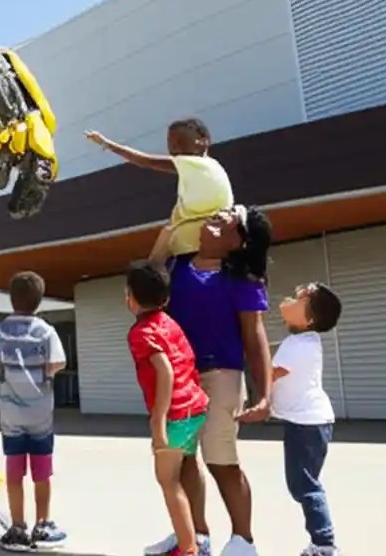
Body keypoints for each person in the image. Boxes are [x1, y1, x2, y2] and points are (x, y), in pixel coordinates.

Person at [145, 206, 274, 556]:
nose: (217, 215)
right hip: (180, 378)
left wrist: (265, 395)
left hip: (221, 376)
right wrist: (168, 233)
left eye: (229, 217)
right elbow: (144, 284)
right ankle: (196, 536)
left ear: (238, 240)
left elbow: (254, 335)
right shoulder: (177, 266)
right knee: (184, 457)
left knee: (221, 460)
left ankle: (243, 541)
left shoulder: (241, 278)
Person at [125, 260, 210, 556]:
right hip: (195, 409)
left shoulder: (140, 333)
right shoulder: (170, 323)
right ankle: (193, 541)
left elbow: (165, 372)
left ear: (130, 297)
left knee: (168, 481)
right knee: (184, 469)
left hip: (174, 415)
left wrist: (158, 421)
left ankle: (188, 549)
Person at [0, 271, 69, 551]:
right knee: (42, 470)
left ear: (11, 299)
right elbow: (59, 362)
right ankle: (42, 524)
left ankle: (17, 527)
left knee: (14, 471)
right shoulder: (46, 331)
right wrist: (42, 372)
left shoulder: (0, 330)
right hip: (40, 413)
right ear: (39, 300)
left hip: (10, 414)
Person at [84, 118, 233, 262]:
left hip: (194, 241)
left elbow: (145, 161)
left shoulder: (191, 162)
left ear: (203, 141)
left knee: (157, 260)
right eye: (170, 144)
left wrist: (107, 144)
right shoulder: (211, 166)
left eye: (180, 142)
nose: (173, 149)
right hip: (215, 234)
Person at [271, 282, 344, 556]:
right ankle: (322, 543)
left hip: (307, 424)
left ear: (309, 319)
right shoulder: (304, 341)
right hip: (309, 422)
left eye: (302, 296)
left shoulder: (298, 344)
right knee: (303, 484)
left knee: (304, 485)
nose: (294, 294)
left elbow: (270, 374)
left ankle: (324, 544)